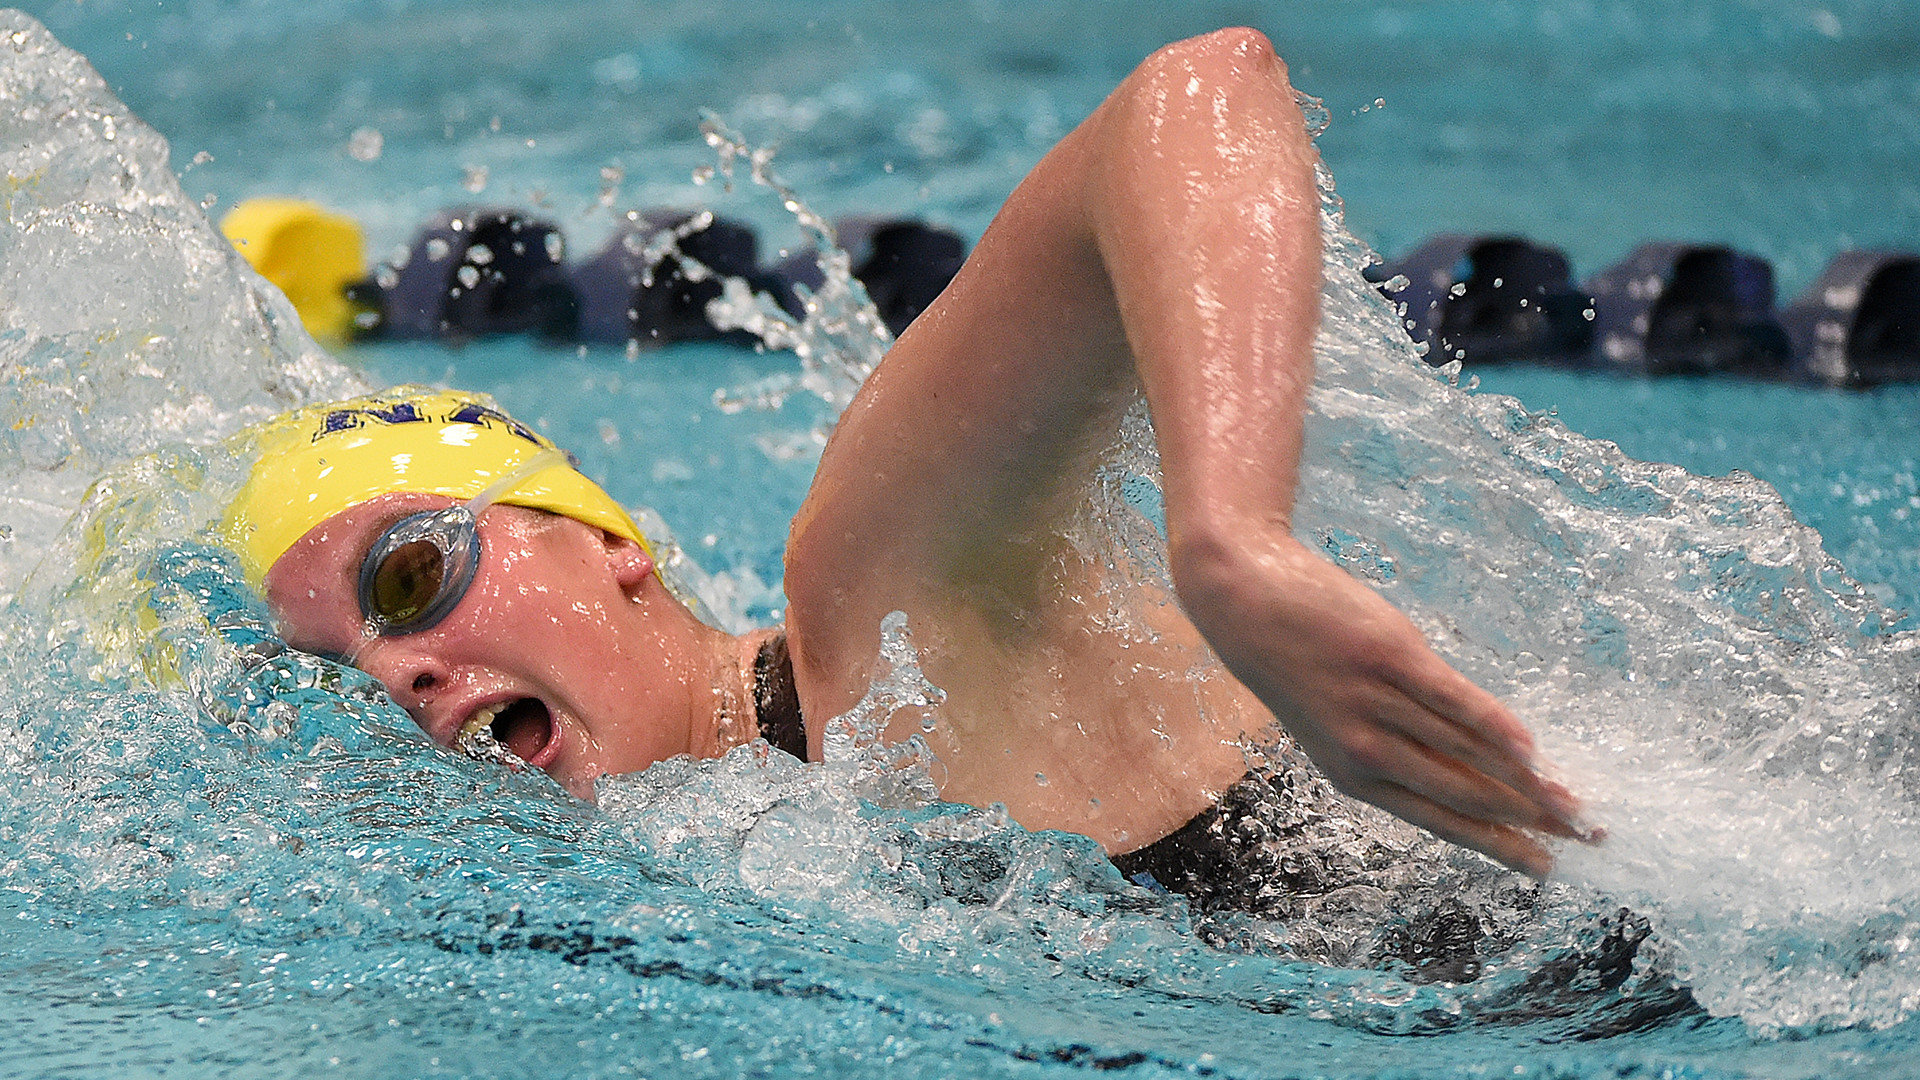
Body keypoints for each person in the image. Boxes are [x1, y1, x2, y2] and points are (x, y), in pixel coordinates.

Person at [222, 28, 1589, 881]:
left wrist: (1237, 539)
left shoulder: (882, 607)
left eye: (406, 579)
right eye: (342, 671)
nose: (396, 669)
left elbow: (1194, 97)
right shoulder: (779, 833)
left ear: (607, 541)